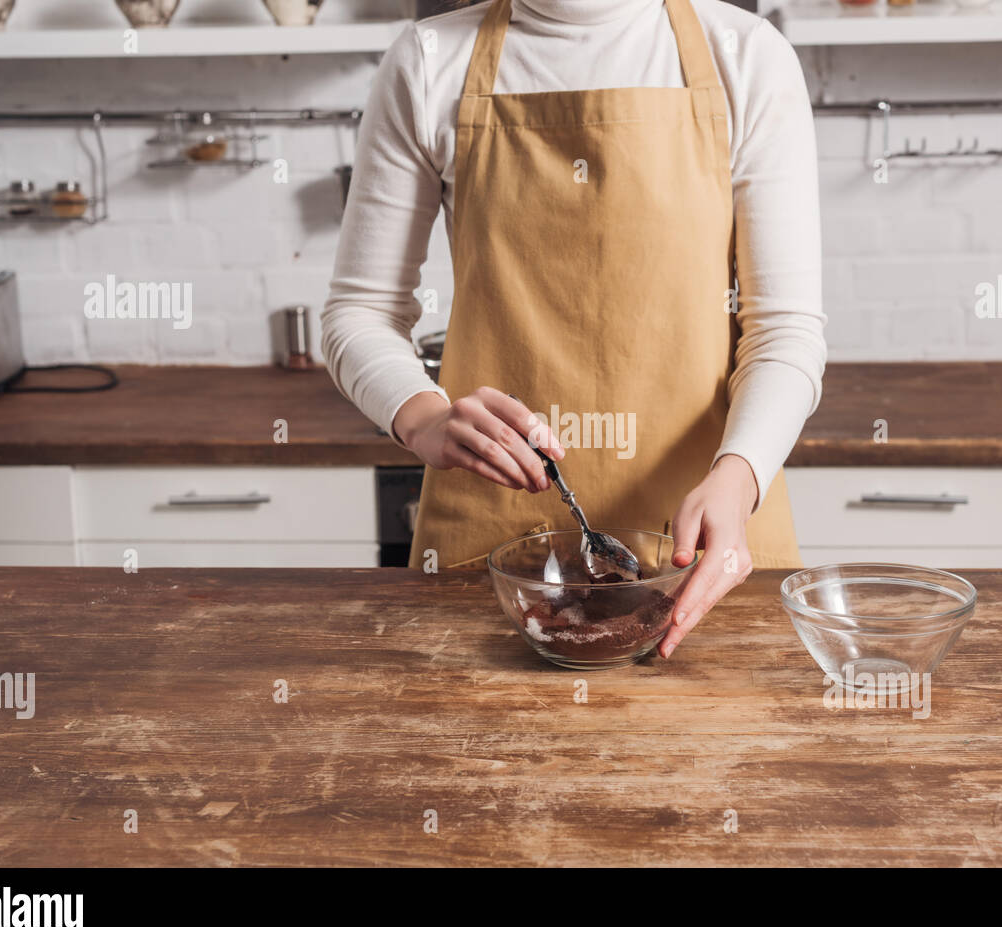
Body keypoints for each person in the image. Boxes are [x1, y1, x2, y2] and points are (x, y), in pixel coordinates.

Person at [322, 0, 826, 657]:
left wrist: (740, 476)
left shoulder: (748, 58)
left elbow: (784, 328)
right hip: (494, 572)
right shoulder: (427, 62)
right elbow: (360, 311)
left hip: (704, 563)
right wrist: (423, 418)